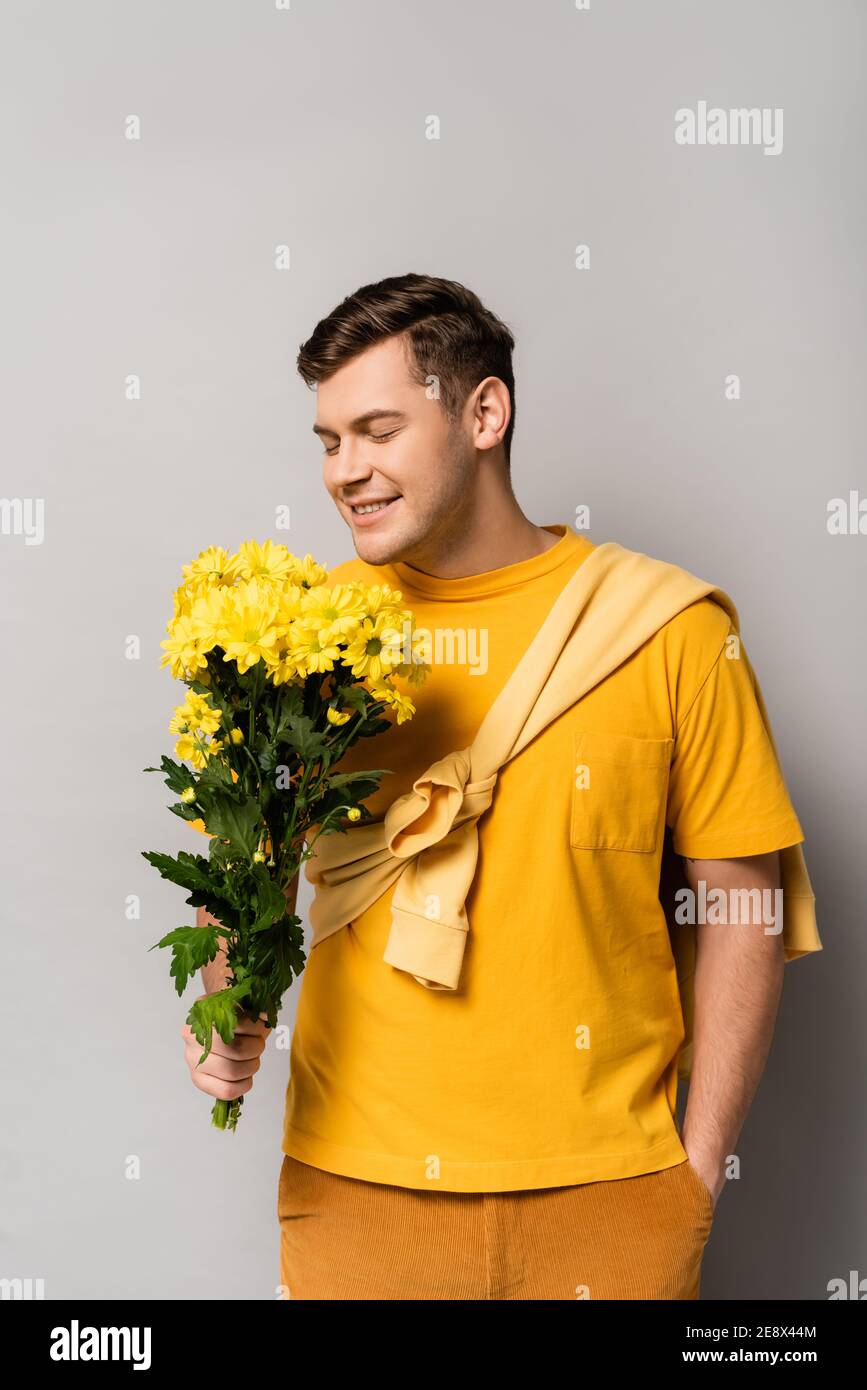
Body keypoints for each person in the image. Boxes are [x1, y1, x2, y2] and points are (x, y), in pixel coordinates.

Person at [182, 273, 819, 1300]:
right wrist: (224, 1009)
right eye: (329, 441)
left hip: (613, 1197)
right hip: (358, 1195)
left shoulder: (672, 630)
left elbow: (744, 903)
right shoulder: (295, 639)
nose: (346, 470)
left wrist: (692, 1178)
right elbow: (241, 888)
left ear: (485, 413)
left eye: (378, 430)